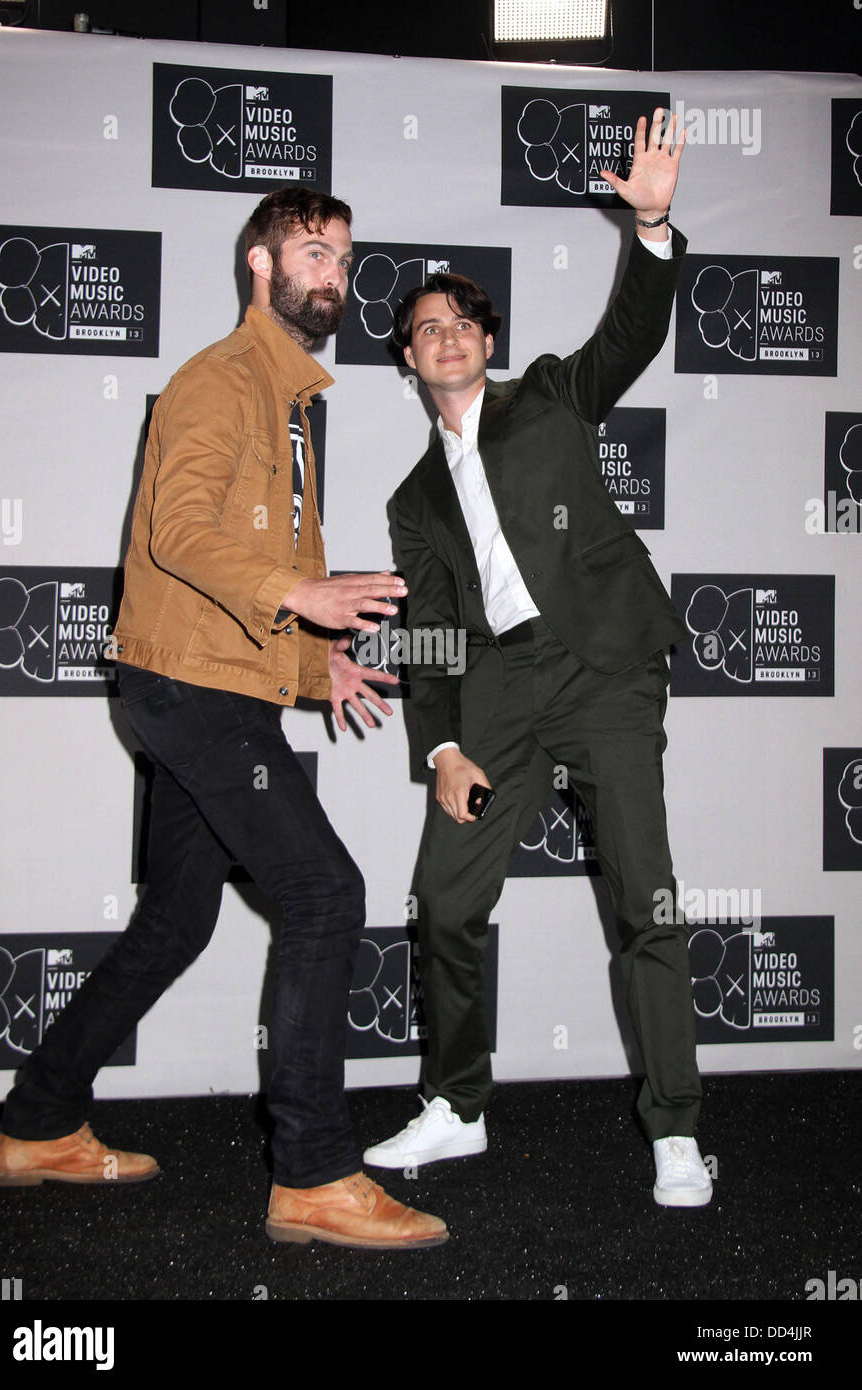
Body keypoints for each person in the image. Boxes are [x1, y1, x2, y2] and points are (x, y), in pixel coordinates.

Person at [0, 186, 448, 1250]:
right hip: (190, 692)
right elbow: (176, 534)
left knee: (176, 919)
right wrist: (306, 597)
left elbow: (255, 560)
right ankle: (314, 1173)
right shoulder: (219, 381)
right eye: (310, 252)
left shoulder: (285, 402)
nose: (331, 272)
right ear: (259, 264)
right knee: (323, 890)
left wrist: (316, 659)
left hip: (206, 685)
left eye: (341, 256)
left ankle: (37, 1121)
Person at [364, 111, 712, 1207]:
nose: (446, 335)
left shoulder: (552, 397)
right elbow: (425, 633)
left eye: (461, 319)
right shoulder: (408, 501)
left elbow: (629, 334)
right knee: (445, 897)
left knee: (641, 902)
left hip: (602, 670)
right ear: (407, 357)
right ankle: (457, 1106)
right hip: (495, 691)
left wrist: (650, 224)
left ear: (485, 338)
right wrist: (445, 746)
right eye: (425, 326)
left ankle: (672, 1130)